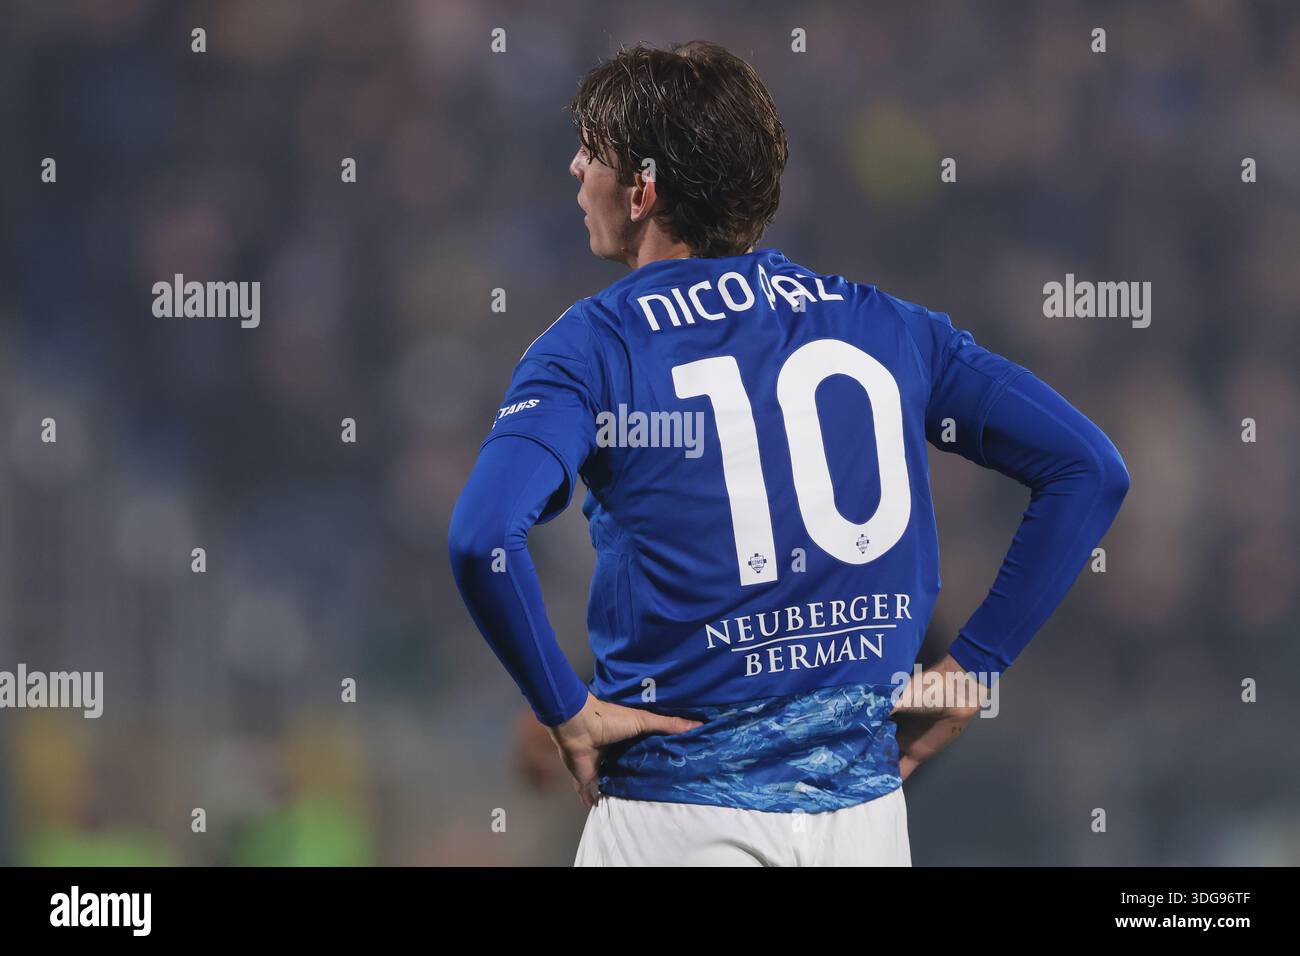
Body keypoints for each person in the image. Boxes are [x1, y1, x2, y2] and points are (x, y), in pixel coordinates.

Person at [449, 40, 1129, 866]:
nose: (573, 168)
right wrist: (971, 671)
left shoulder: (592, 347)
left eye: (592, 150)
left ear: (643, 187)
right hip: (865, 825)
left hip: (678, 819)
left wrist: (565, 705)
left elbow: (483, 537)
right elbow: (1089, 470)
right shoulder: (889, 327)